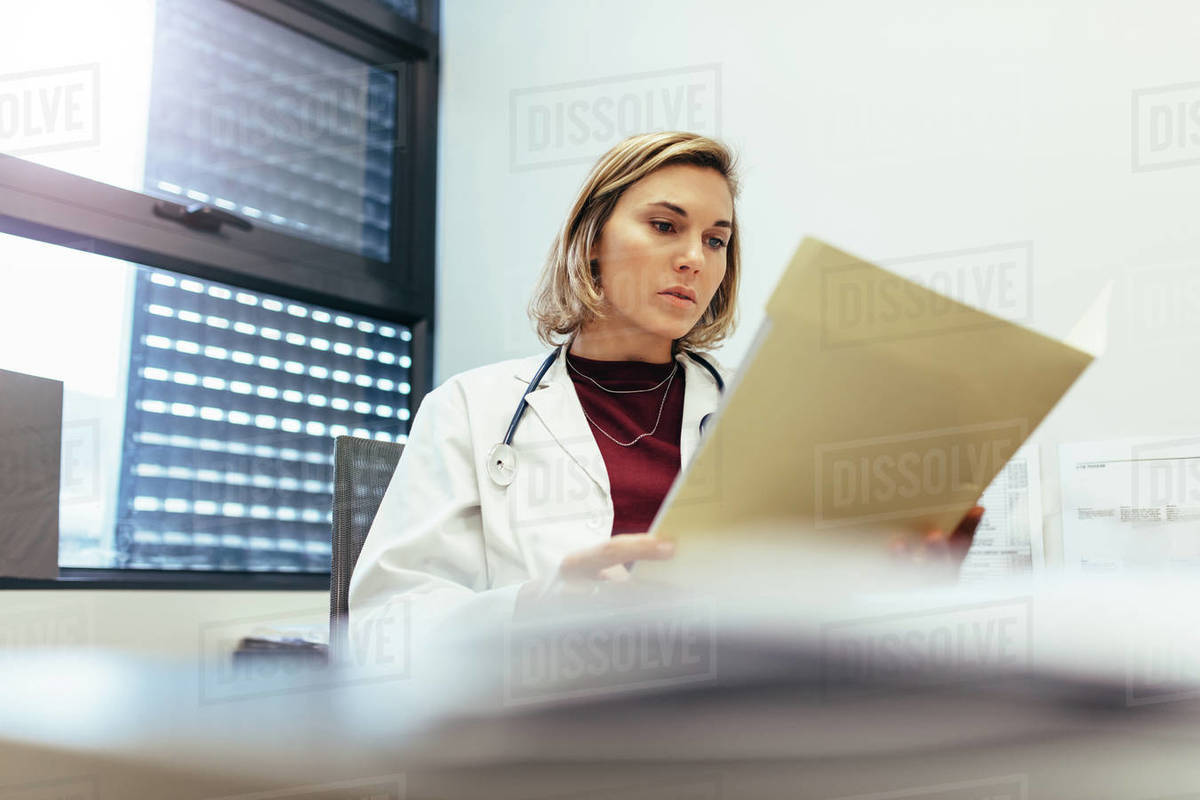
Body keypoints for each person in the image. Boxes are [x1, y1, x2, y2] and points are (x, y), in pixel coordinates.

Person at [348, 132, 981, 644]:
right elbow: (386, 626)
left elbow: (806, 618)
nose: (694, 259)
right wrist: (538, 604)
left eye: (716, 240)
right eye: (663, 226)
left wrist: (904, 583)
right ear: (592, 239)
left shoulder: (765, 412)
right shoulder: (469, 409)